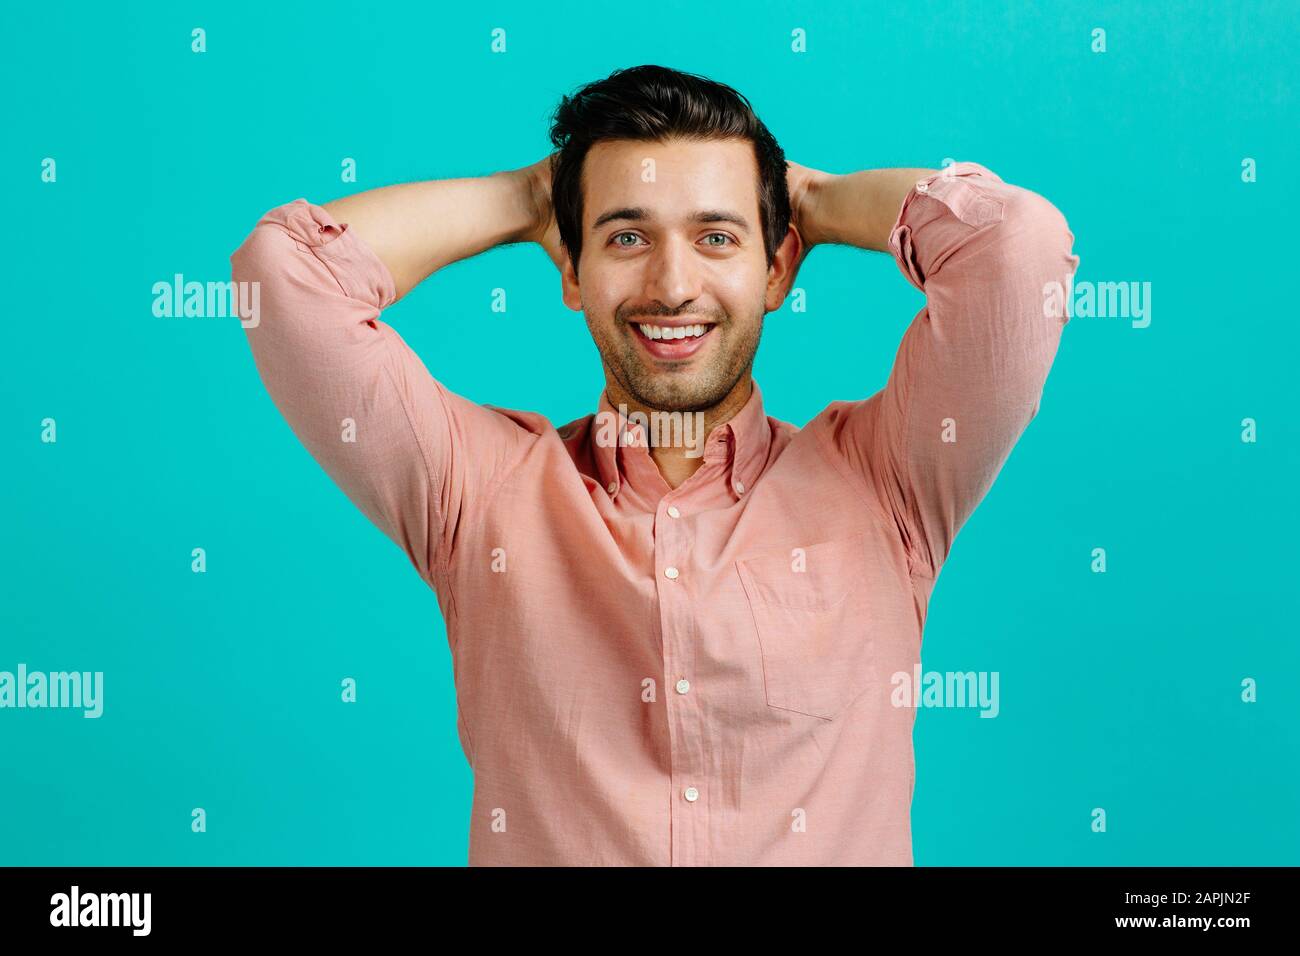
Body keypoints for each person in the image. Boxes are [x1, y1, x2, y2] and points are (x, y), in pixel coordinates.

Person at [229, 64, 1080, 866]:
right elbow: (285, 273)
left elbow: (1018, 249)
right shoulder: (477, 493)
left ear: (778, 266)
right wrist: (535, 196)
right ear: (570, 266)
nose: (673, 285)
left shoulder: (887, 483)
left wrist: (811, 199)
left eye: (717, 236)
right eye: (627, 236)